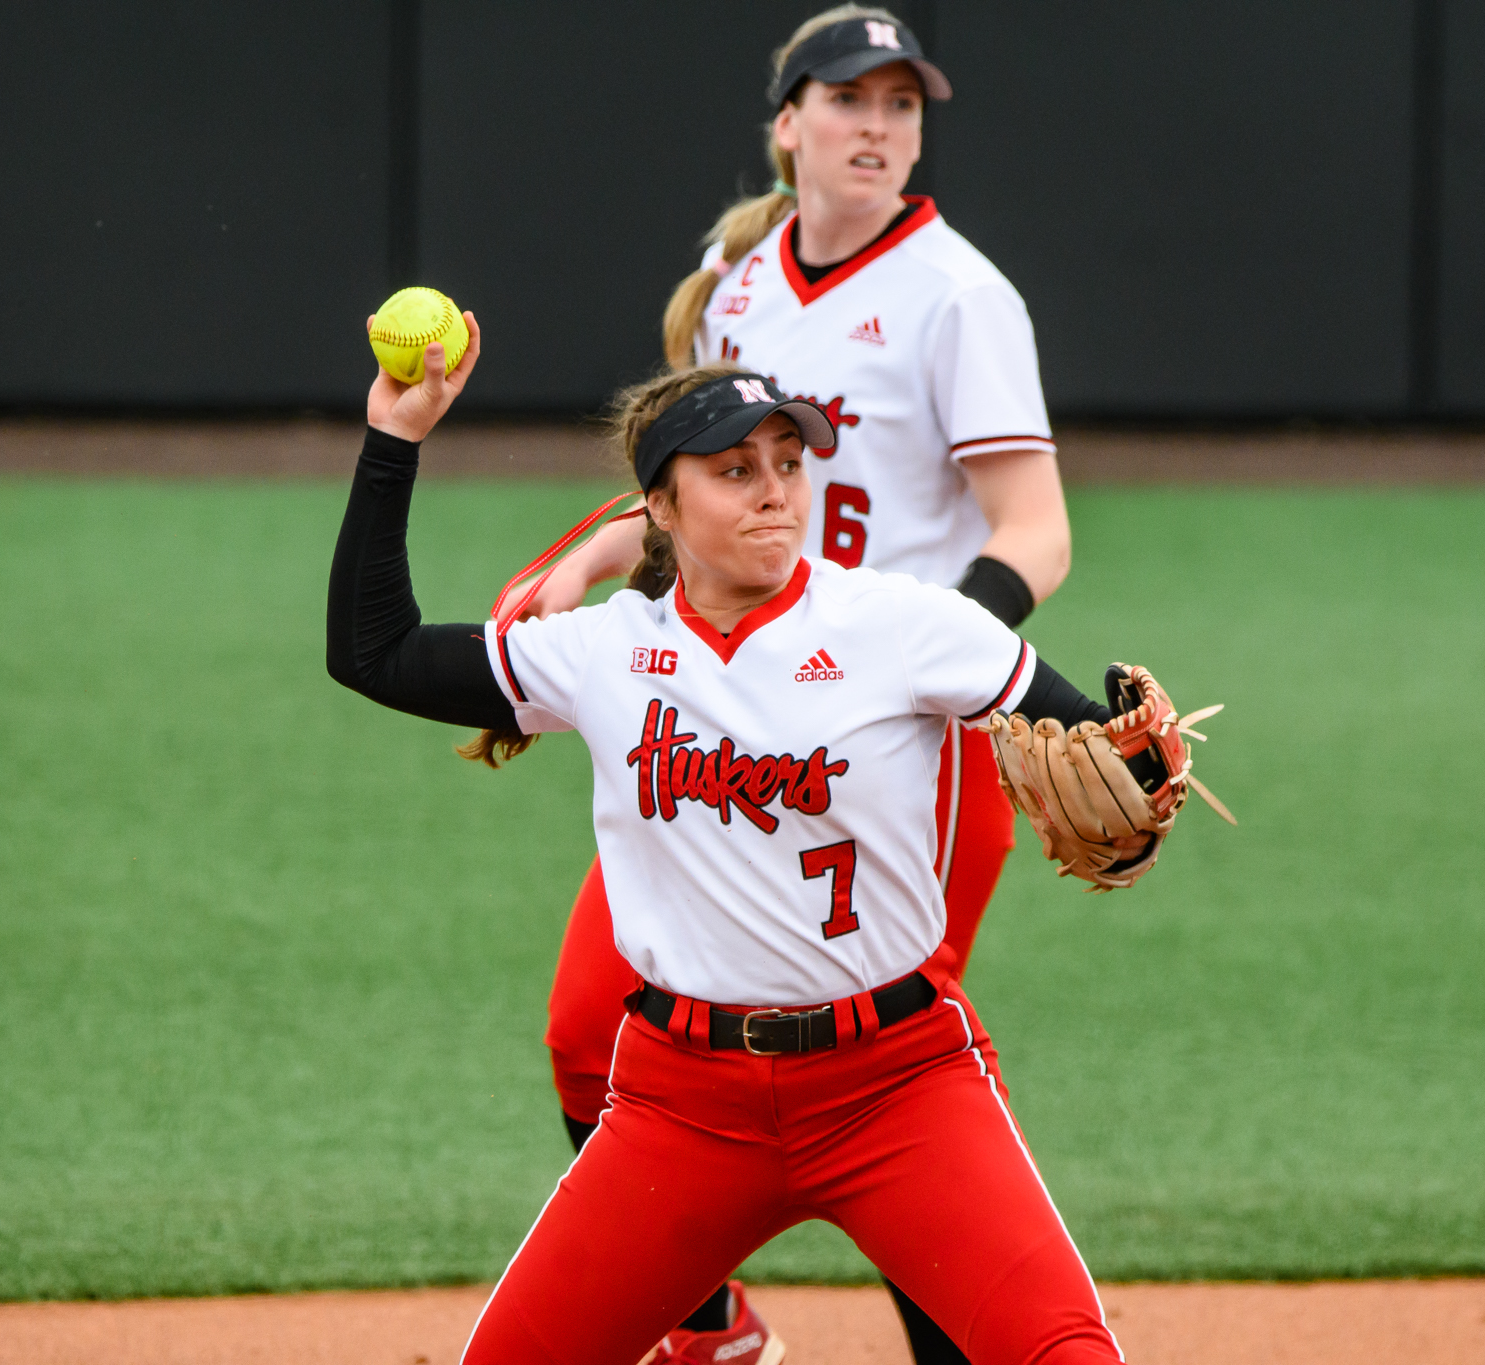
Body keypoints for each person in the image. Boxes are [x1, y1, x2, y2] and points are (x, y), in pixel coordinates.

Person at [328, 323, 1141, 1363]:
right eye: (734, 470)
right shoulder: (602, 655)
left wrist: (1134, 789)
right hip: (680, 1109)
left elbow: (1088, 741)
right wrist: (392, 443)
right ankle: (713, 1338)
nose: (775, 491)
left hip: (896, 1090)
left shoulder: (903, 623)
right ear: (658, 508)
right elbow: (374, 653)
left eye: (789, 464)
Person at [512, 12, 1069, 1357]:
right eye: (847, 101)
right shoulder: (735, 277)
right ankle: (703, 1322)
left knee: (896, 1102)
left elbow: (1036, 530)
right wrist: (590, 554)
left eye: (901, 104)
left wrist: (948, 663)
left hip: (894, 752)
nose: (876, 127)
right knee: (590, 1028)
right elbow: (688, 486)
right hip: (724, 712)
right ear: (787, 127)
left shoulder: (957, 294)